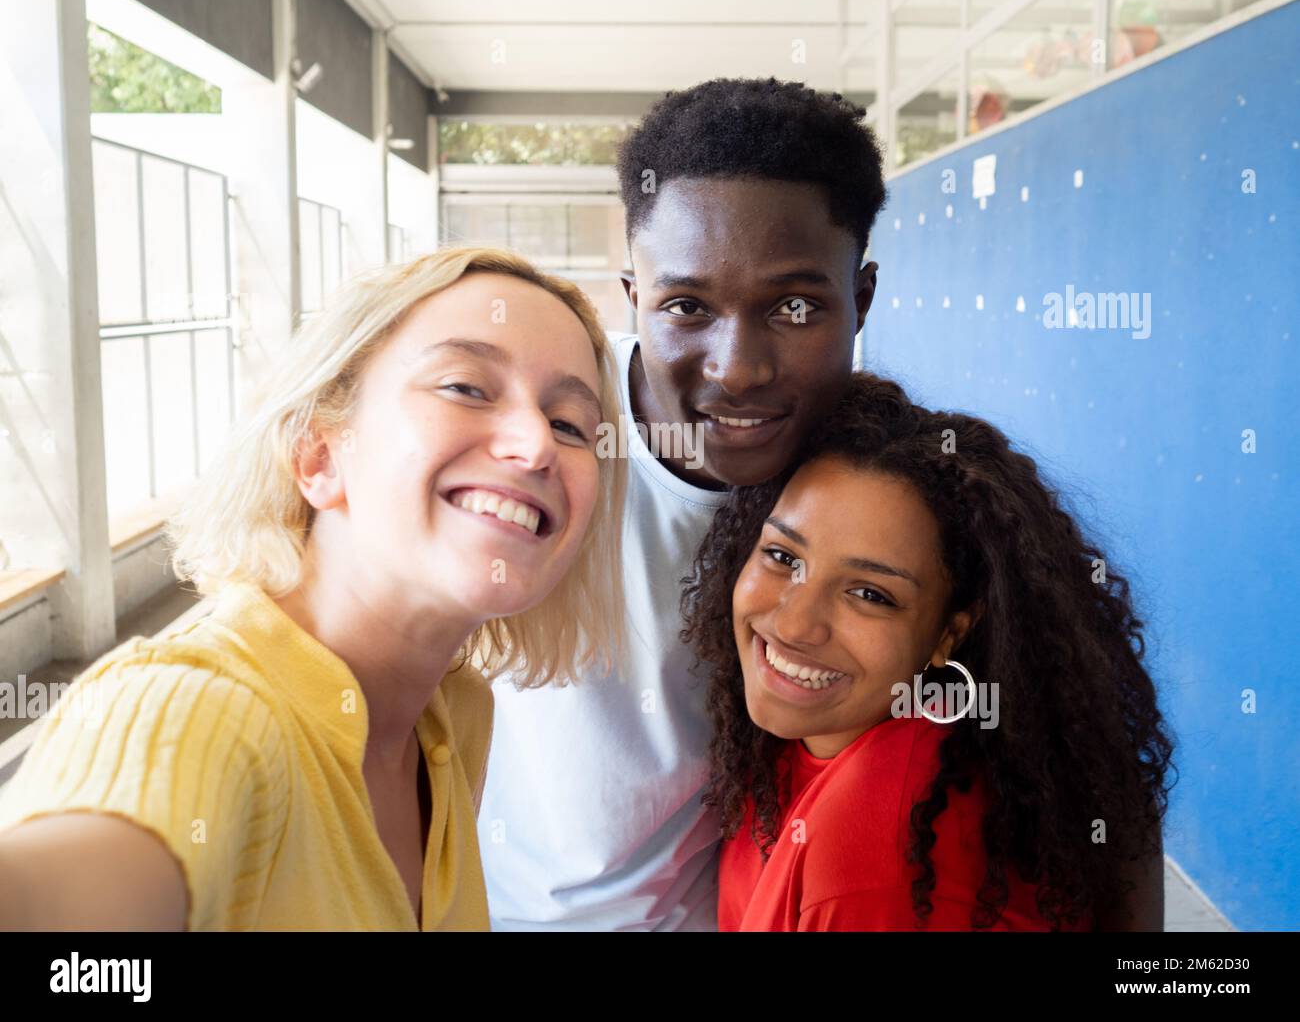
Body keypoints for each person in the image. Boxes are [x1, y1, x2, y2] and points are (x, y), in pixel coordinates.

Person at [0, 246, 626, 931]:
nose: (535, 442)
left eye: (570, 424)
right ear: (318, 454)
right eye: (466, 387)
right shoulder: (196, 705)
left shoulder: (455, 714)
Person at [476, 77, 889, 929]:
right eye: (687, 307)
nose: (737, 366)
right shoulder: (536, 440)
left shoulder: (883, 484)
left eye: (796, 306)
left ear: (863, 300)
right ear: (632, 299)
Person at [681, 373, 1175, 931]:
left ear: (948, 633)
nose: (795, 622)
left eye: (870, 594)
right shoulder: (804, 740)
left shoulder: (873, 853)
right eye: (782, 556)